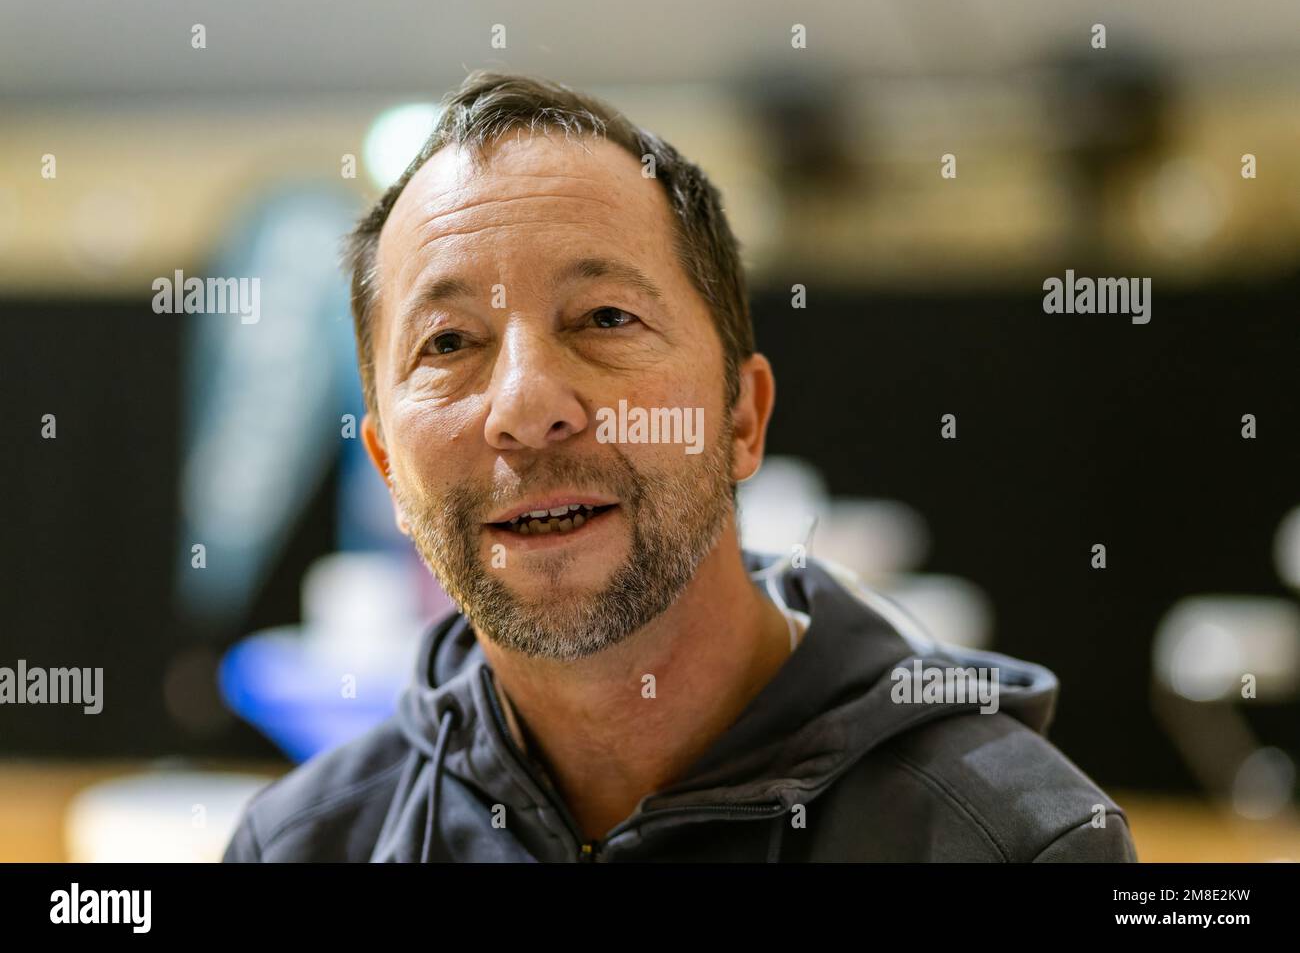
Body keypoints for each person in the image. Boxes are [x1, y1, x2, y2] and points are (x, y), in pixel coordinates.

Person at [223, 71, 1137, 862]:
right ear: (386, 464)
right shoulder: (302, 844)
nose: (527, 408)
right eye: (451, 340)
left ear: (742, 416)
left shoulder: (1015, 843)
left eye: (605, 318)